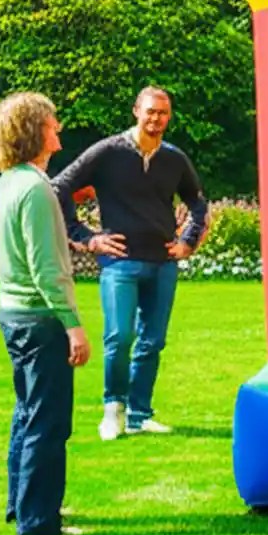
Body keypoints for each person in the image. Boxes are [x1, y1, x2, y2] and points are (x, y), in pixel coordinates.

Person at [50, 86, 208, 441]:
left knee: (153, 341)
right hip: (119, 263)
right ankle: (113, 410)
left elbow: (198, 204)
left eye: (163, 113)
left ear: (170, 116)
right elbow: (59, 187)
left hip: (162, 263)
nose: (156, 118)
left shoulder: (174, 159)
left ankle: (140, 414)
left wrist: (187, 243)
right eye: (150, 111)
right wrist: (86, 236)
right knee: (120, 337)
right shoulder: (108, 152)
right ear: (136, 110)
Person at [0, 92, 91, 535]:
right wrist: (74, 327)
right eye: (52, 124)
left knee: (27, 414)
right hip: (38, 317)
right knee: (48, 421)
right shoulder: (33, 189)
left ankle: (23, 504)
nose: (59, 130)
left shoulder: (10, 182)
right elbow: (46, 269)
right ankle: (39, 521)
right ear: (34, 131)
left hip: (13, 313)